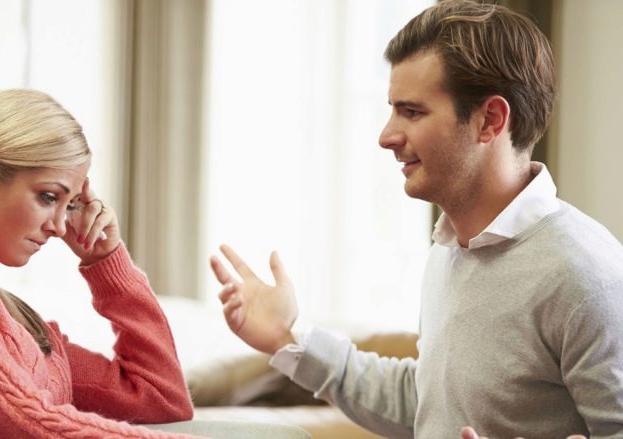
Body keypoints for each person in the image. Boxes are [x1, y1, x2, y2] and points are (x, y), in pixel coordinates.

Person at [209, 1, 623, 437]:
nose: (386, 136)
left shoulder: (585, 276)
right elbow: (427, 402)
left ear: (490, 120)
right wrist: (289, 336)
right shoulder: (450, 249)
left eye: (412, 111)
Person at [0, 89, 199, 438]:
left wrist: (107, 260)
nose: (60, 227)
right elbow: (23, 422)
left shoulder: (23, 324)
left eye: (72, 205)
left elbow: (161, 398)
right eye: (49, 197)